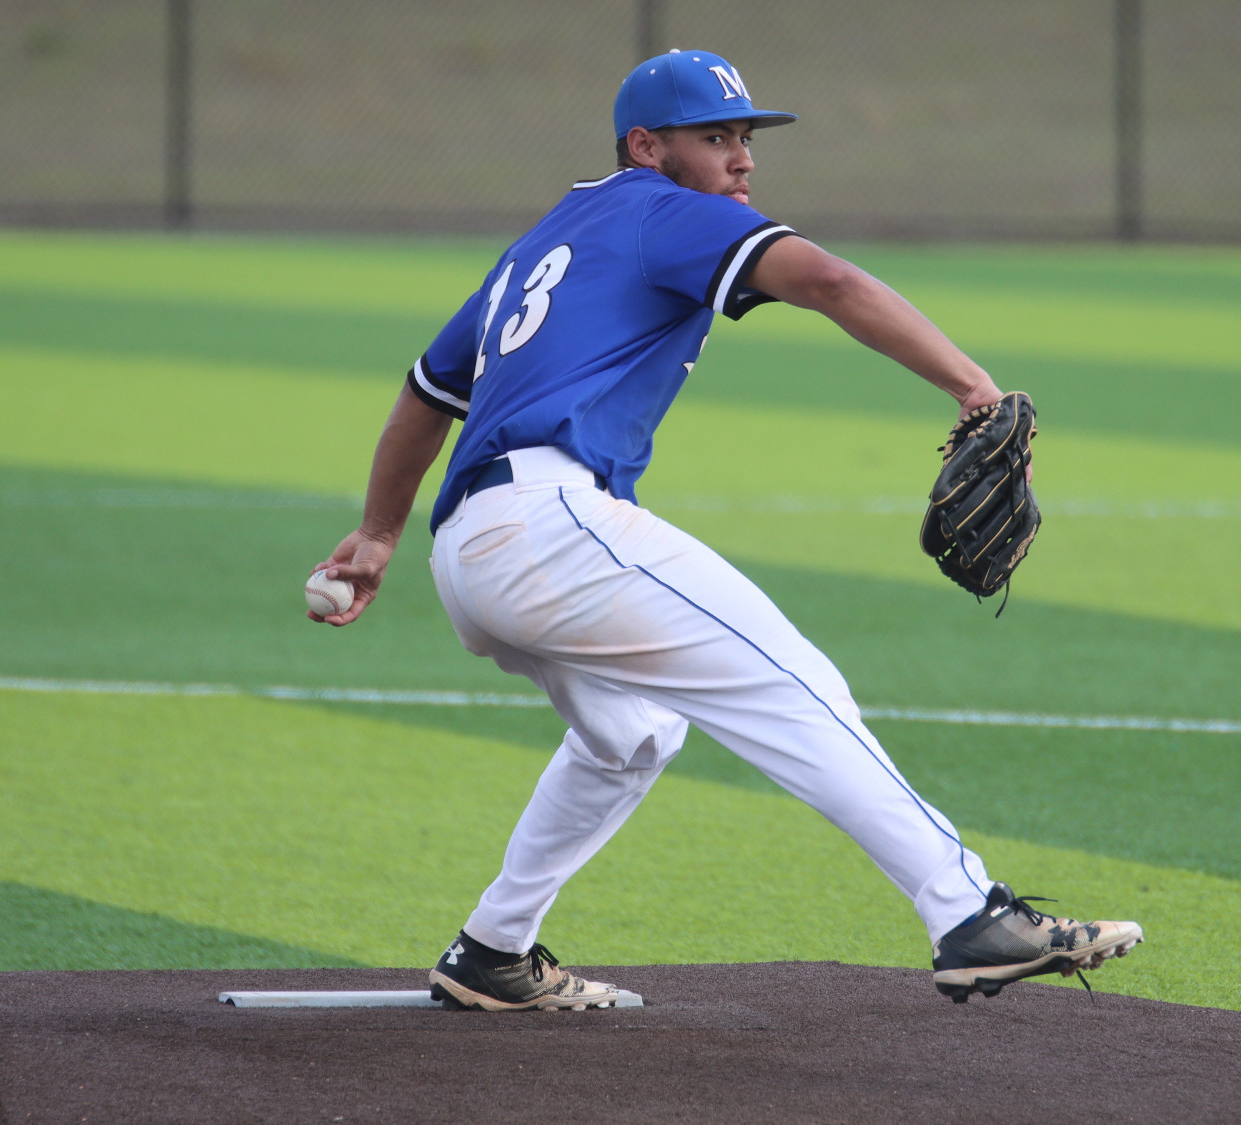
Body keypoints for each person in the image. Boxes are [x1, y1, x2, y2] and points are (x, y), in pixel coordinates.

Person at [313, 49, 1141, 1010]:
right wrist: (973, 385)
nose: (742, 160)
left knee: (633, 735)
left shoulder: (545, 241)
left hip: (471, 551)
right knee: (794, 679)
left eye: (746, 138)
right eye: (717, 138)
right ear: (646, 146)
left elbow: (426, 394)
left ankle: (493, 950)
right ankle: (969, 913)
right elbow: (826, 280)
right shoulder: (662, 210)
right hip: (551, 526)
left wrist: (377, 535)